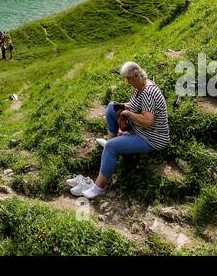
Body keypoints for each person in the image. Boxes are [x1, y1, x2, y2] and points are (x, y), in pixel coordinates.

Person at [68, 61, 169, 199]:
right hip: (141, 131)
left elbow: (147, 121)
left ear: (135, 75)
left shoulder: (149, 93)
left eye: (128, 78)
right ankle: (110, 146)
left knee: (111, 147)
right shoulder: (142, 87)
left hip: (151, 138)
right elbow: (137, 106)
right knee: (111, 107)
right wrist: (122, 107)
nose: (127, 82)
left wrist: (129, 114)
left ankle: (99, 187)